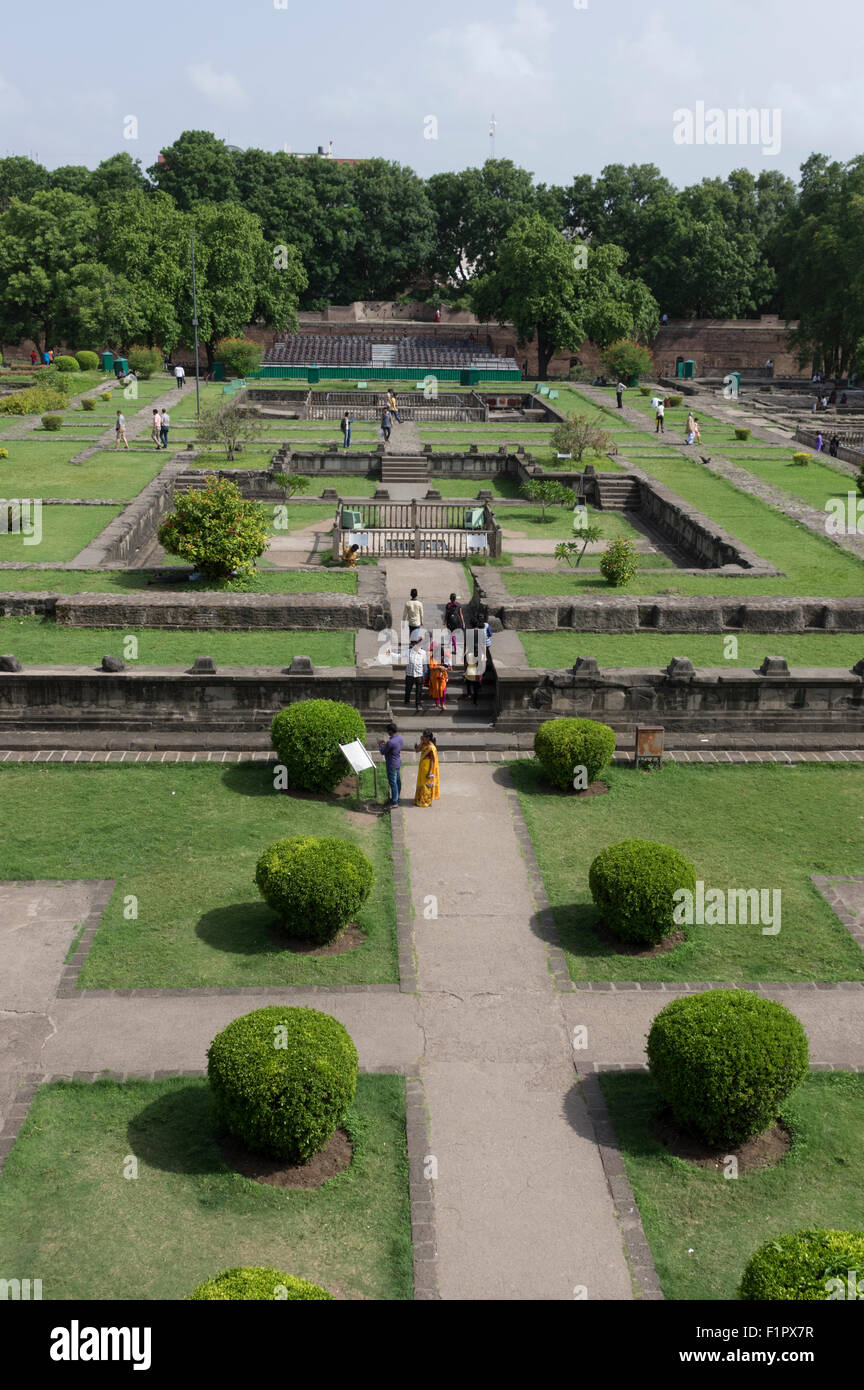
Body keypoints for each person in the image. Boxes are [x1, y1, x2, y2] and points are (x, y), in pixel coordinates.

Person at [378, 722, 403, 809]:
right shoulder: (399, 738)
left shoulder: (390, 742)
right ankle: (397, 798)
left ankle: (394, 802)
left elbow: (382, 752)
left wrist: (380, 745)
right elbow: (392, 748)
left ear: (391, 731)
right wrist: (386, 745)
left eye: (388, 731)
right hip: (398, 762)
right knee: (398, 781)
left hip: (391, 764)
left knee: (393, 783)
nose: (387, 732)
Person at [414, 730, 440, 808]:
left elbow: (432, 761)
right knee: (421, 782)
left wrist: (429, 772)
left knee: (426, 784)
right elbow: (417, 750)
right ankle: (419, 798)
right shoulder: (424, 744)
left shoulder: (431, 747)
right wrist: (421, 742)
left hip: (427, 767)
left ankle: (426, 801)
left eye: (424, 737)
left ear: (428, 738)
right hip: (422, 766)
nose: (423, 738)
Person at [404, 636, 427, 711]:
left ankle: (418, 704)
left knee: (419, 690)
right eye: (413, 644)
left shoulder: (423, 653)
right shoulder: (408, 651)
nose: (415, 646)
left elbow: (424, 663)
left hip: (419, 674)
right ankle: (407, 700)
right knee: (408, 688)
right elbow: (399, 656)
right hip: (409, 674)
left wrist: (425, 674)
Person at [444, 592, 466, 662]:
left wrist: (444, 621)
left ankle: (452, 647)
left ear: (450, 599)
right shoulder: (458, 605)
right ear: (455, 599)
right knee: (454, 635)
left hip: (450, 621)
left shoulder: (448, 605)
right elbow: (461, 614)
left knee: (451, 634)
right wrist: (463, 623)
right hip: (457, 622)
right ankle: (451, 646)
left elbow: (446, 614)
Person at [428, 646, 449, 711]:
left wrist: (444, 668)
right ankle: (437, 703)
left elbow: (446, 667)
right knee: (436, 690)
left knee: (443, 691)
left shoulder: (444, 658)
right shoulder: (431, 658)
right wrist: (439, 667)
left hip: (442, 677)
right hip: (434, 678)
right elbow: (431, 667)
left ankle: (442, 704)